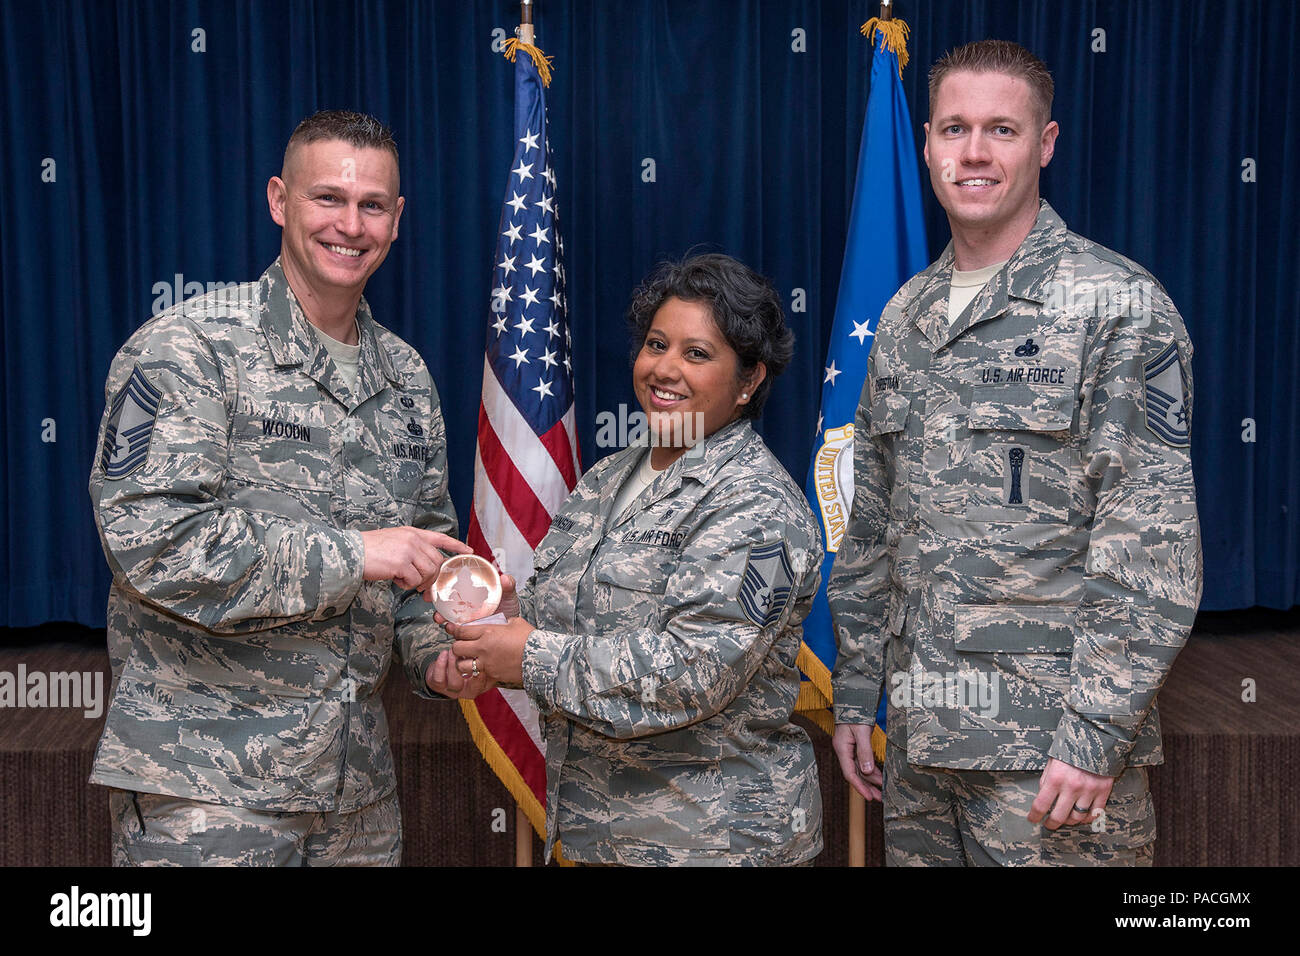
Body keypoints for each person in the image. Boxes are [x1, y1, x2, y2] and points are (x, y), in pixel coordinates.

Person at [828, 40, 1202, 866]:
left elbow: (1152, 543)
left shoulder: (1117, 306)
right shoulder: (904, 316)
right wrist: (857, 690)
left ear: (1047, 143)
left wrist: (1096, 732)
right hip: (922, 742)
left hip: (1049, 758)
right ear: (925, 142)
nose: (973, 152)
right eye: (954, 129)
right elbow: (873, 527)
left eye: (1002, 129)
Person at [89, 110, 484, 866]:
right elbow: (152, 545)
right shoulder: (189, 348)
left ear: (397, 221)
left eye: (372, 205)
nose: (350, 224)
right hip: (206, 788)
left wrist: (440, 653)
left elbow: (420, 567)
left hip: (356, 798)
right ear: (279, 200)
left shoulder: (405, 379)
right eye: (326, 198)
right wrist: (356, 553)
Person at [445, 254, 824, 865]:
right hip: (602, 835)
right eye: (655, 344)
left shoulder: (759, 506)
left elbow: (694, 672)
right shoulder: (611, 475)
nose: (665, 369)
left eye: (697, 354)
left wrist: (529, 655)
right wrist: (509, 612)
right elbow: (588, 613)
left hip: (711, 843)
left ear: (749, 379)